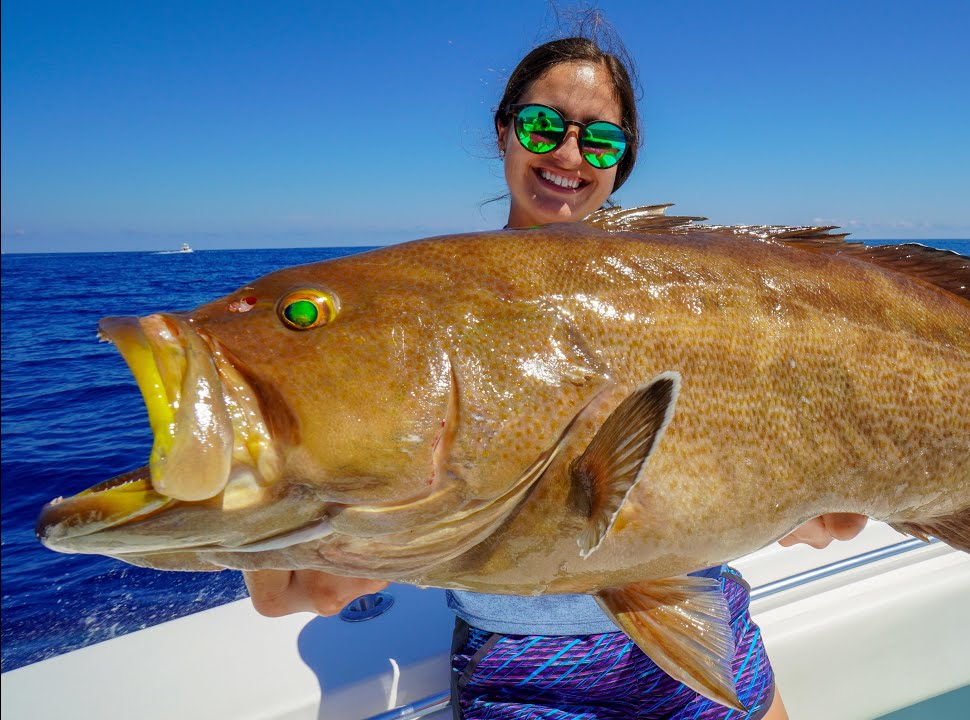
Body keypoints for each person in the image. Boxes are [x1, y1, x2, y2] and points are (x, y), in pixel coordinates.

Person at [245, 32, 869, 720]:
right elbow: (290, 590)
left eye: (600, 141)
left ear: (622, 161)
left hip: (698, 645)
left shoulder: (699, 299)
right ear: (504, 132)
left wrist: (813, 506)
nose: (569, 155)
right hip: (522, 677)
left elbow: (794, 497)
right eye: (544, 125)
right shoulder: (433, 309)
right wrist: (278, 533)